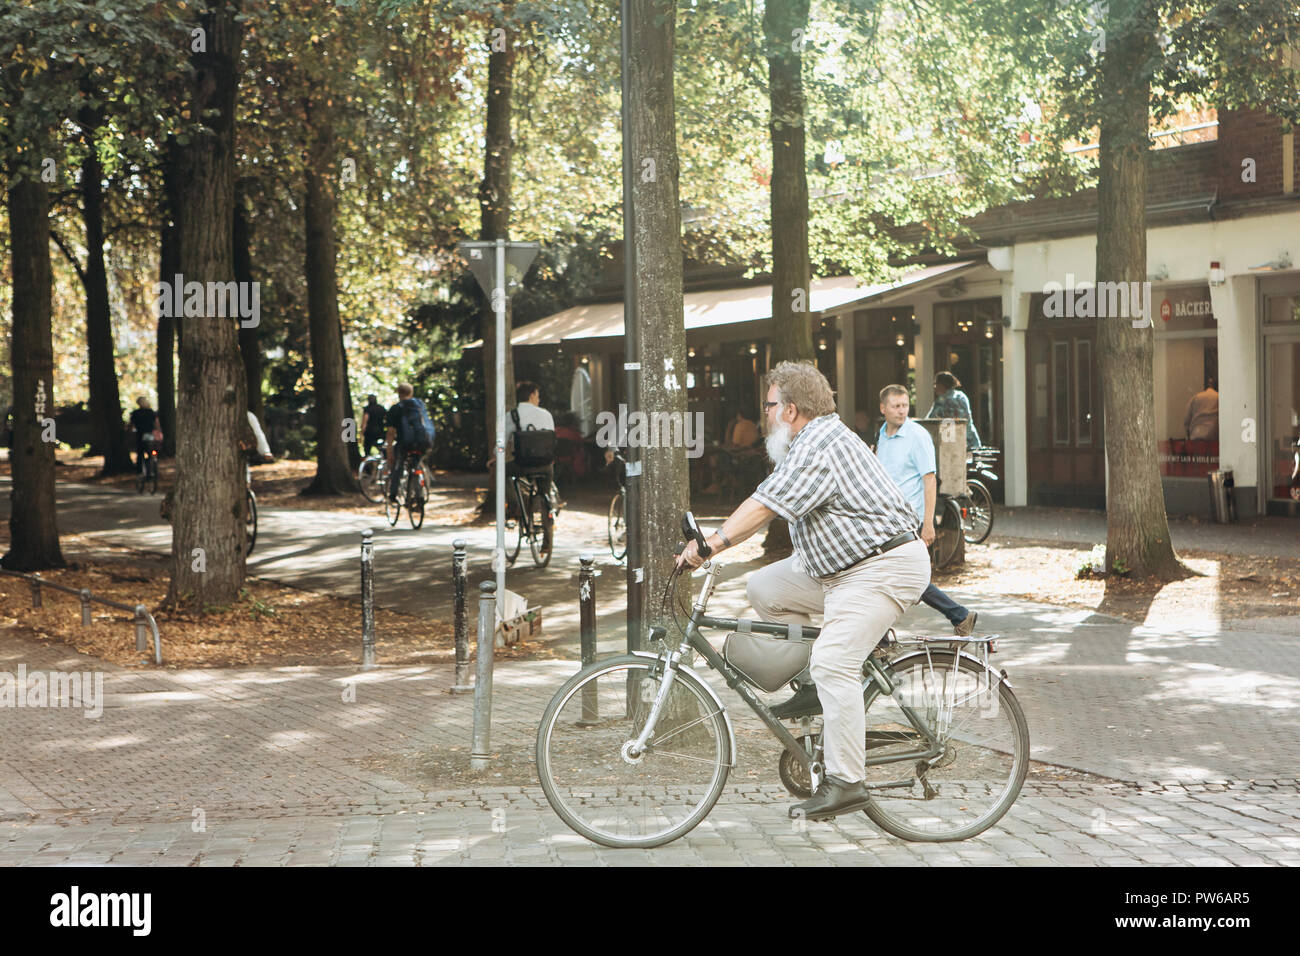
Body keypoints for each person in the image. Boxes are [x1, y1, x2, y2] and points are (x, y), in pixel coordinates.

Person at [677, 361, 930, 821]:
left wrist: (710, 546)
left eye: (770, 406)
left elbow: (765, 505)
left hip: (881, 567)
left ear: (791, 409)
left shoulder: (820, 445)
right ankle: (814, 682)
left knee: (836, 661)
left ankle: (847, 782)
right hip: (840, 570)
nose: (765, 415)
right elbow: (768, 496)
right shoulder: (808, 441)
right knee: (764, 586)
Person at [384, 384, 434, 501]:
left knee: (398, 465)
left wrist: (389, 451)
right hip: (423, 442)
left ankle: (393, 494)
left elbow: (391, 432)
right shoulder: (420, 406)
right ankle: (419, 494)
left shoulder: (396, 409)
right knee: (415, 464)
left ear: (398, 393)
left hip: (405, 443)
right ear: (411, 393)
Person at [926, 371, 981, 450]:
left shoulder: (942, 401)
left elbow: (930, 421)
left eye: (936, 384)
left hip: (952, 445)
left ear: (942, 385)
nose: (934, 387)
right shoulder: (962, 396)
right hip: (971, 441)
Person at [127, 397, 160, 470]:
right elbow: (156, 424)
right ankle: (152, 466)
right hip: (150, 435)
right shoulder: (151, 412)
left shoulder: (136, 413)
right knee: (151, 450)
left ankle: (139, 470)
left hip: (140, 435)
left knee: (140, 452)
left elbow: (131, 425)